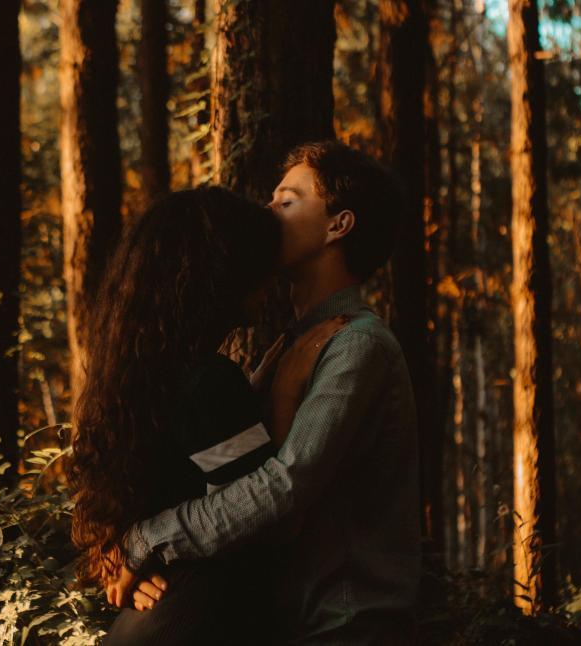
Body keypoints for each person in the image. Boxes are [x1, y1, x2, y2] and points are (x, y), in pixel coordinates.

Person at [108, 141, 422, 644]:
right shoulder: (290, 345)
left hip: (344, 627)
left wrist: (148, 540)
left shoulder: (358, 344)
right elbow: (228, 477)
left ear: (338, 225)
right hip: (286, 623)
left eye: (287, 201)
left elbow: (283, 486)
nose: (268, 210)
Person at [70, 186, 344, 645]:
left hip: (150, 623)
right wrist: (288, 389)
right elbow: (262, 513)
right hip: (197, 620)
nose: (270, 285)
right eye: (259, 269)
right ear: (223, 276)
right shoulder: (210, 382)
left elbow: (199, 465)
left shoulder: (145, 376)